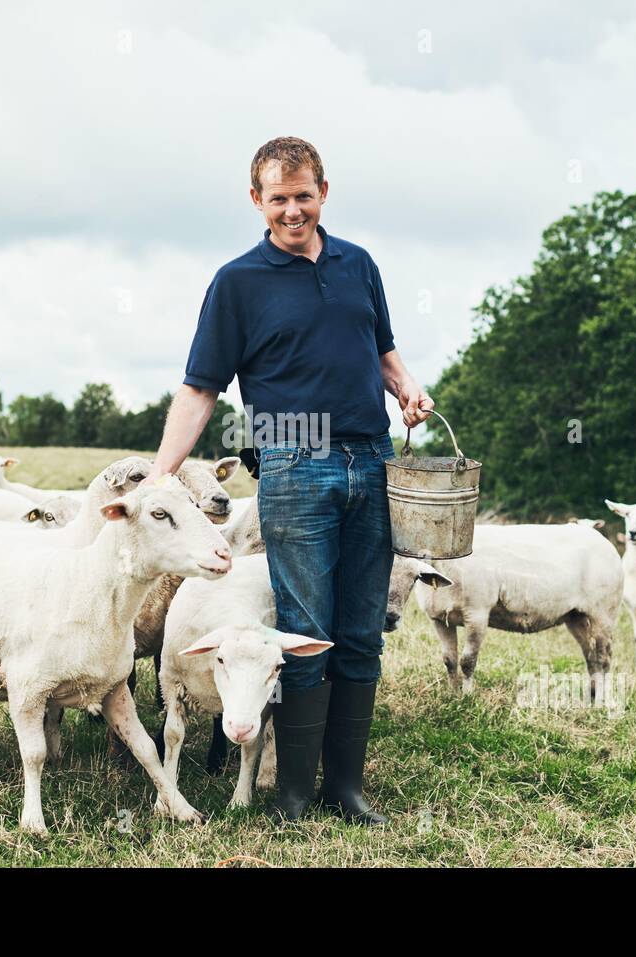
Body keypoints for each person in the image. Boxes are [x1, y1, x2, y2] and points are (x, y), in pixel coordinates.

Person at [146, 136, 432, 824]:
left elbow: (383, 350)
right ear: (257, 201)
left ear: (323, 192)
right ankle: (294, 793)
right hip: (293, 468)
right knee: (304, 631)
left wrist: (407, 385)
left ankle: (347, 789)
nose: (293, 210)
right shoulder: (237, 282)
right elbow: (199, 389)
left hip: (371, 458)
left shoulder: (358, 265)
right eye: (279, 198)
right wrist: (160, 476)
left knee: (362, 632)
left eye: (304, 195)